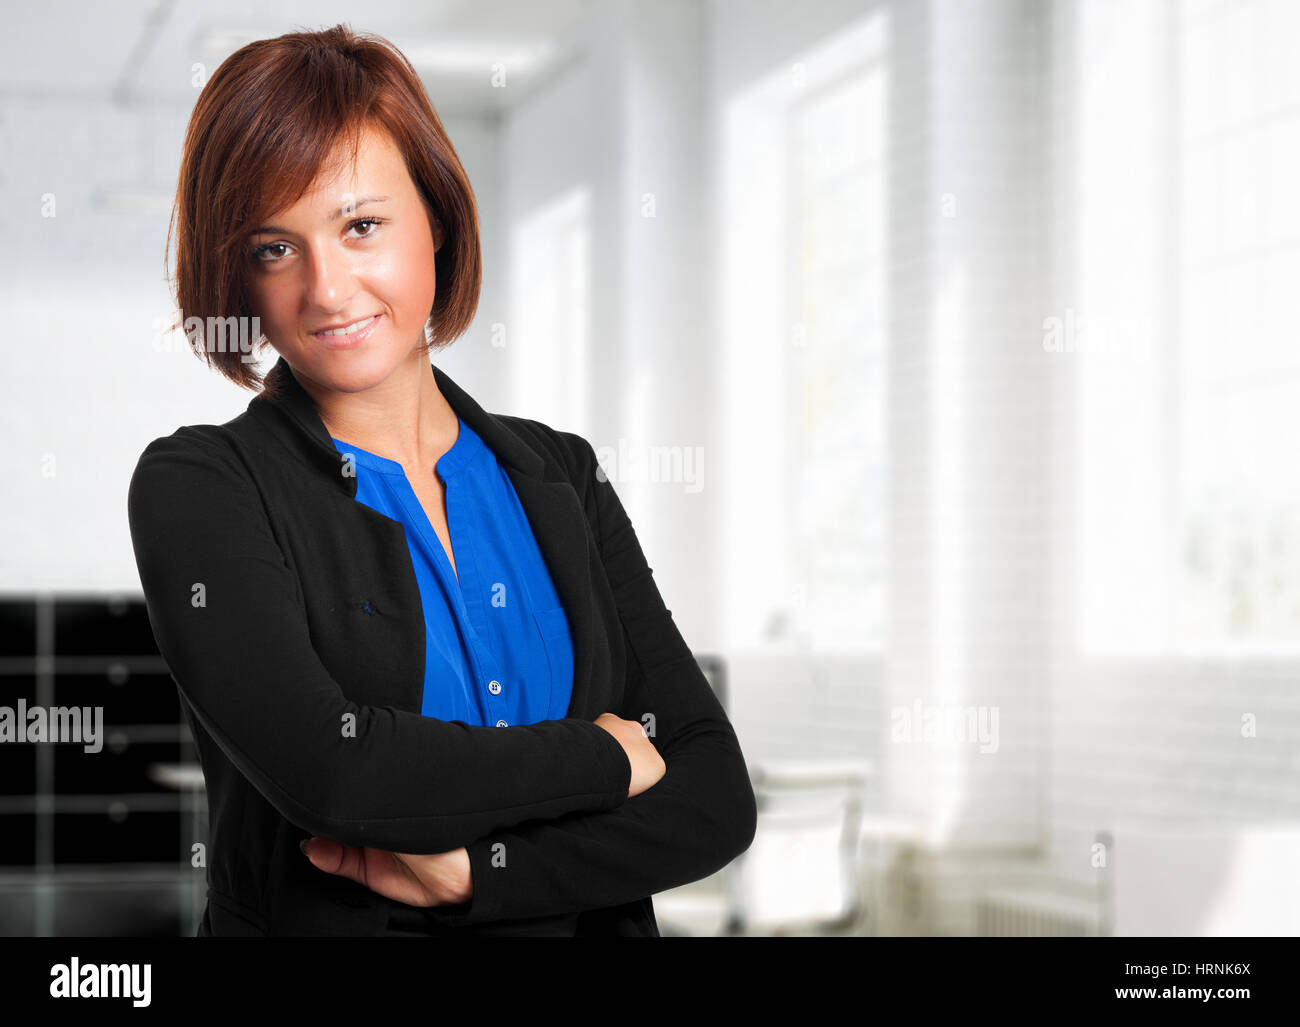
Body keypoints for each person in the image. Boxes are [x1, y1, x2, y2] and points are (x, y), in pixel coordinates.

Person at [126, 24, 756, 937]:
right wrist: (609, 757)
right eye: (275, 248)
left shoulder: (561, 477)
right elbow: (340, 775)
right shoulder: (205, 486)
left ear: (438, 217)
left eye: (361, 226)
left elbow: (713, 795)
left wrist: (479, 875)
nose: (327, 289)